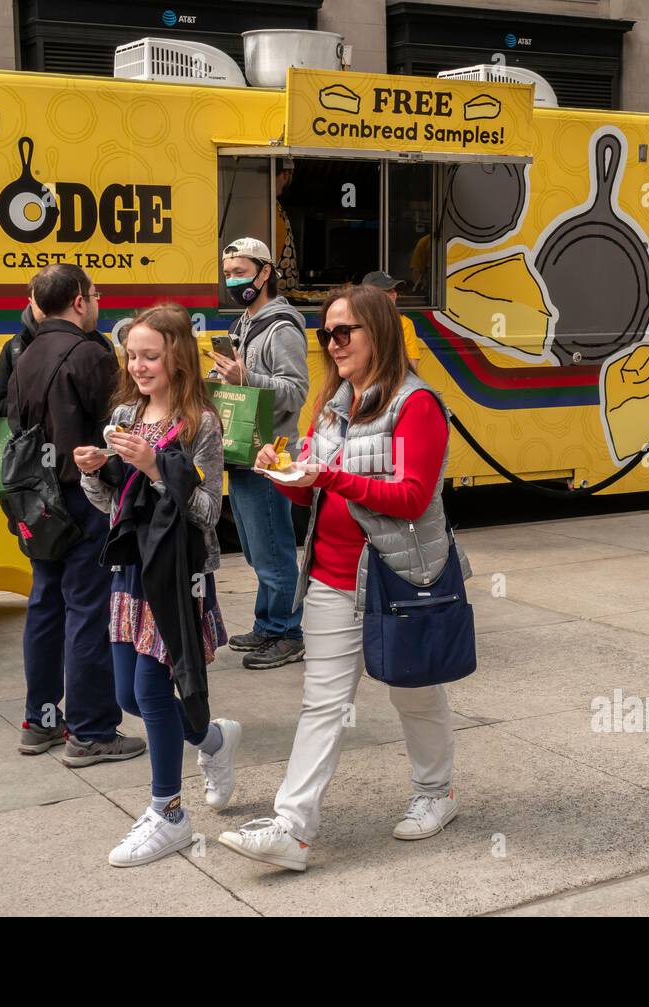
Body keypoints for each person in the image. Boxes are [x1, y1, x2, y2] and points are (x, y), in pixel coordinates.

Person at [218, 284, 467, 872]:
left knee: (415, 693)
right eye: (326, 334)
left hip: (399, 578)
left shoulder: (417, 404)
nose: (331, 345)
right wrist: (284, 472)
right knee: (322, 705)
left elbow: (411, 497)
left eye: (344, 332)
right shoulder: (335, 403)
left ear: (378, 331)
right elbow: (313, 472)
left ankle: (437, 794)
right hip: (330, 578)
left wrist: (331, 477)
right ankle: (292, 829)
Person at [75, 302, 241, 866]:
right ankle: (213, 741)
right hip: (129, 569)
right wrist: (94, 472)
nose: (139, 365)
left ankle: (168, 812)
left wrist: (153, 466)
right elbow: (109, 509)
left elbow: (206, 510)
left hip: (177, 575)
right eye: (133, 355)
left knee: (149, 690)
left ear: (178, 359)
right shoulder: (123, 415)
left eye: (151, 355)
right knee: (127, 697)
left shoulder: (201, 425)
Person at [7, 263, 146, 766]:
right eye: (96, 294)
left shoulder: (25, 350)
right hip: (83, 497)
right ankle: (90, 730)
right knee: (89, 609)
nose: (99, 302)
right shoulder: (90, 353)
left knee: (46, 604)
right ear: (80, 301)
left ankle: (40, 720)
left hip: (37, 502)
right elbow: (116, 425)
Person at [209, 237, 310, 670]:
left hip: (272, 454)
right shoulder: (244, 324)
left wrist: (245, 375)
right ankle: (269, 623)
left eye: (241, 271)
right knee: (255, 549)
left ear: (265, 272)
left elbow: (296, 391)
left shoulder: (282, 327)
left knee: (273, 549)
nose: (234, 280)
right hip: (245, 452)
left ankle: (288, 632)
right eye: (228, 272)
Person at [0, 279, 42, 419]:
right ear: (31, 302)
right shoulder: (16, 346)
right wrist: (36, 399)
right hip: (29, 439)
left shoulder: (91, 344)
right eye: (42, 300)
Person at [362, 270, 422, 371]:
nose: (394, 294)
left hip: (394, 382)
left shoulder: (404, 323)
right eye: (388, 290)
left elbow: (412, 364)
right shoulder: (354, 321)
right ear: (370, 295)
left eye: (394, 290)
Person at [274, 158, 298, 298]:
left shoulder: (274, 204)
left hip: (285, 290)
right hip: (276, 291)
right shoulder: (268, 205)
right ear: (285, 174)